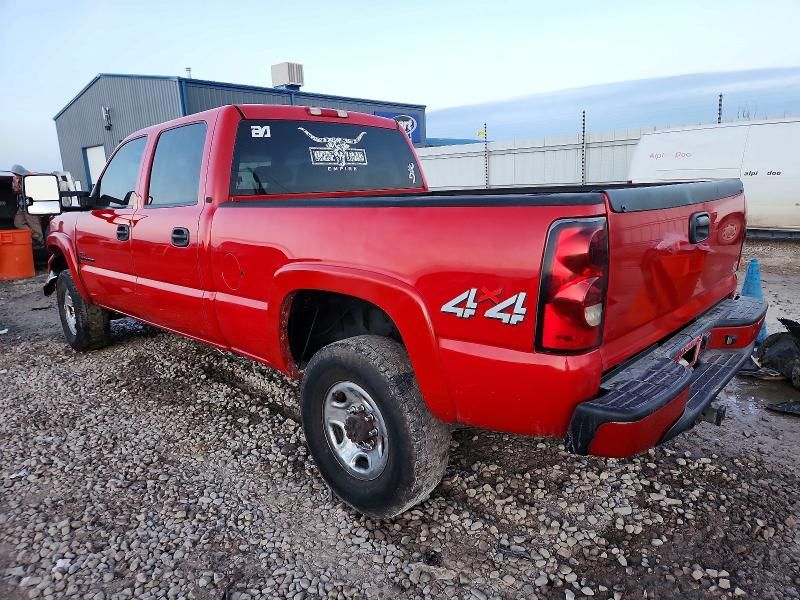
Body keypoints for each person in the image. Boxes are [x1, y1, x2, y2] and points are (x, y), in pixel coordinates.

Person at [10, 164, 44, 248]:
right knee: (18, 222)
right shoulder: (17, 180)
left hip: (31, 206)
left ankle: (40, 243)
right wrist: (16, 183)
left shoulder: (31, 178)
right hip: (22, 206)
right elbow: (15, 191)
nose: (15, 175)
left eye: (16, 174)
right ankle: (34, 236)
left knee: (34, 225)